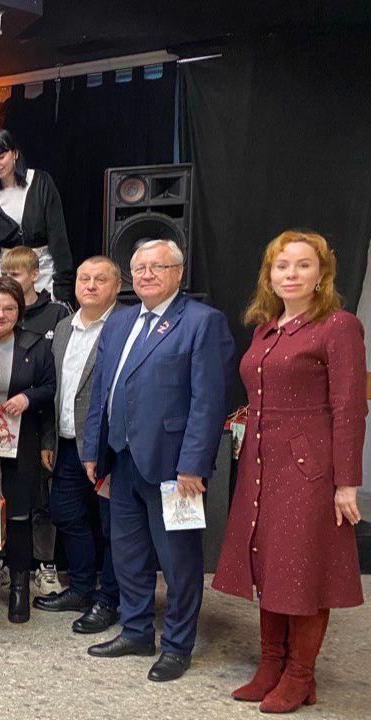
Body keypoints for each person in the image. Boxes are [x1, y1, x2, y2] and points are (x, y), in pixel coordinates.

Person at [212, 230, 365, 713]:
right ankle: (271, 665)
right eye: (281, 266)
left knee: (303, 568)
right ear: (270, 276)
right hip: (261, 461)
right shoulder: (266, 328)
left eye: (302, 265)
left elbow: (349, 408)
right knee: (271, 563)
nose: (291, 274)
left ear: (321, 274)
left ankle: (300, 675)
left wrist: (346, 483)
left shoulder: (338, 326)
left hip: (308, 468)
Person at [80, 238, 235, 682]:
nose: (147, 274)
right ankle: (135, 631)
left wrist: (194, 465)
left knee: (179, 561)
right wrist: (93, 448)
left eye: (158, 267)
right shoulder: (120, 322)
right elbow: (102, 391)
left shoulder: (201, 322)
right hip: (121, 459)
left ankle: (178, 645)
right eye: (140, 268)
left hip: (174, 468)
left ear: (178, 273)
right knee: (128, 554)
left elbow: (209, 401)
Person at [34, 256, 122, 636]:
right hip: (66, 443)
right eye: (84, 278)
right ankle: (82, 589)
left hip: (107, 447)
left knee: (113, 527)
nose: (90, 285)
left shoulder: (124, 326)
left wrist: (102, 448)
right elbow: (55, 388)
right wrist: (49, 438)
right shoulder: (62, 328)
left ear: (117, 287)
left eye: (100, 279)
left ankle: (110, 599)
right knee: (66, 515)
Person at [0, 276, 56, 624]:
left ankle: (20, 587)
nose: (0, 314)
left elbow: (50, 387)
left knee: (19, 517)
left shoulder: (35, 344)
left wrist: (27, 397)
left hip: (20, 443)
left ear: (19, 311)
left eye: (8, 308)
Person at [0, 245, 71, 595]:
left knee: (42, 498)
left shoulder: (56, 312)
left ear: (34, 274)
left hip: (43, 419)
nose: (10, 280)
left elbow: (57, 376)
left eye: (16, 274)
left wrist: (48, 435)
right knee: (3, 497)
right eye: (5, 274)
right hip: (2, 428)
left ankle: (45, 563)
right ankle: (3, 561)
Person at [0, 129, 73, 303]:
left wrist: (63, 282)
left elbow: (58, 235)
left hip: (43, 269)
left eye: (1, 157)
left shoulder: (40, 181)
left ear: (15, 153)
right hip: (5, 273)